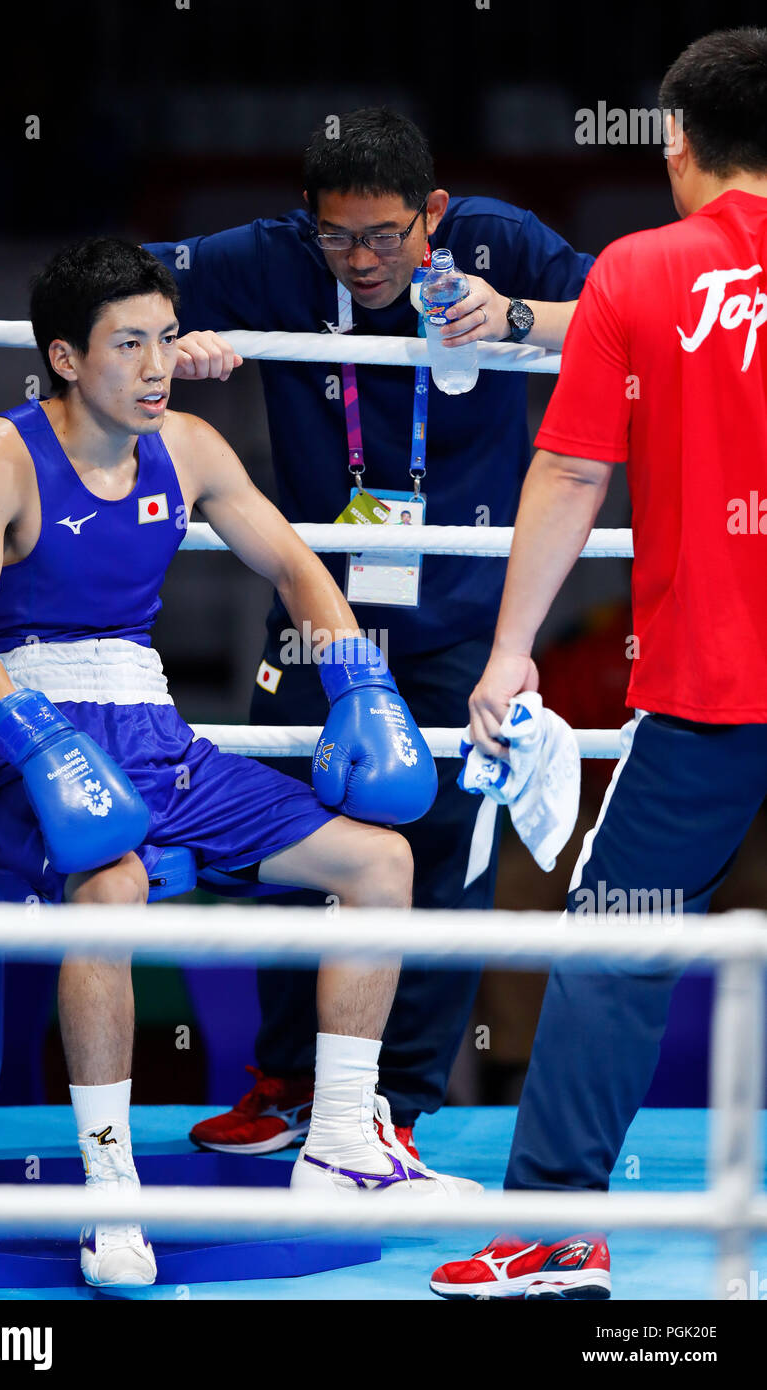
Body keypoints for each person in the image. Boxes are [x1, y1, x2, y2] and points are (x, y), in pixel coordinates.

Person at [0, 237, 481, 1291]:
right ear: (68, 358)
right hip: (26, 735)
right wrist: (39, 742)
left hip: (156, 736)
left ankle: (343, 1143)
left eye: (167, 338)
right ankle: (112, 1187)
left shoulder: (191, 449)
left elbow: (295, 560)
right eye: (129, 343)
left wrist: (360, 678)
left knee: (379, 862)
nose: (157, 363)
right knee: (112, 885)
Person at [145, 106, 594, 1157]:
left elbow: (630, 311)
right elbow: (105, 289)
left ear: (431, 214)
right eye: (337, 236)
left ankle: (394, 1106)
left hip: (458, 623)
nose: (360, 260)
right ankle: (287, 1081)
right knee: (283, 842)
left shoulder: (498, 241)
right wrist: (175, 333)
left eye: (385, 235)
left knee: (441, 863)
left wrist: (515, 315)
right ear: (307, 225)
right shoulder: (266, 260)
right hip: (317, 620)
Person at [430, 25, 767, 1300]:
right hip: (702, 686)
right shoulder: (627, 280)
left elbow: (572, 469)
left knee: (616, 946)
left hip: (707, 690)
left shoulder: (639, 274)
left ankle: (559, 1233)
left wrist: (509, 652)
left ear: (674, 143)